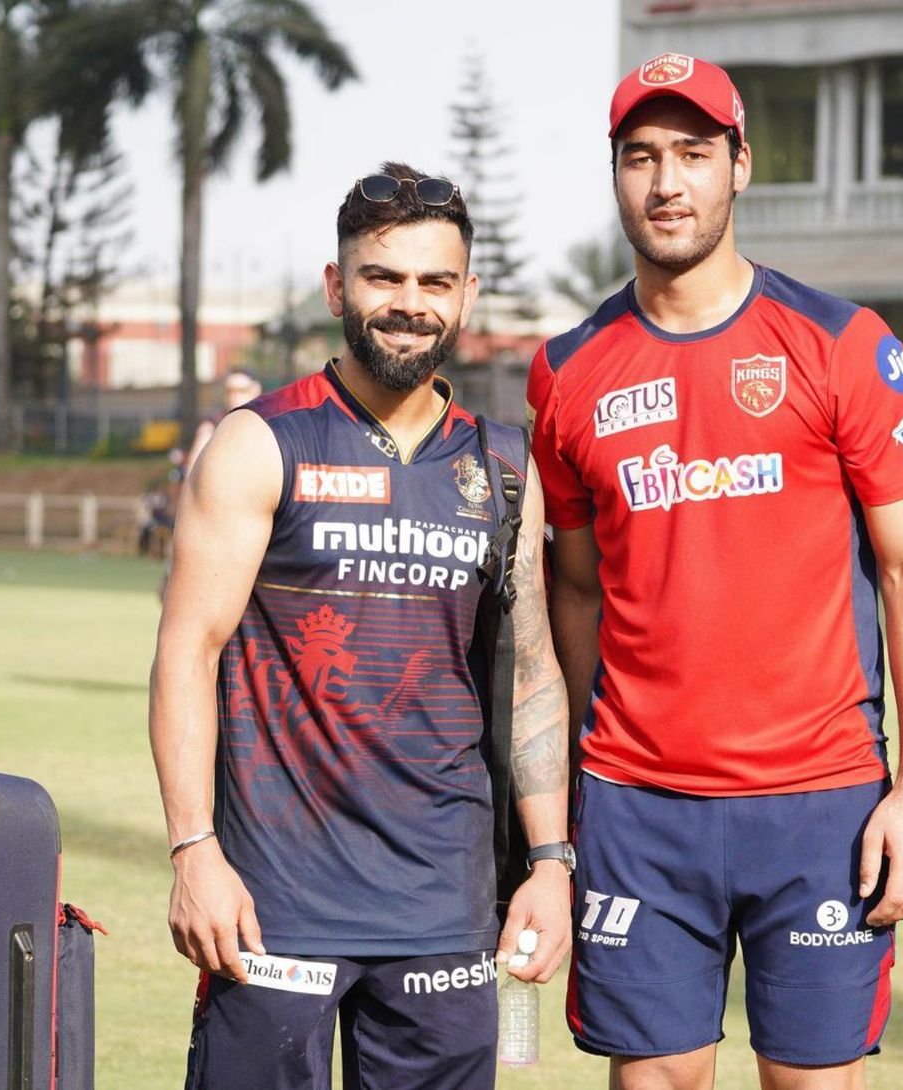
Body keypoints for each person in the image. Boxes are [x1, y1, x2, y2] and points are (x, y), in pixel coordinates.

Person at [527, 54, 903, 1089]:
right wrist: (584, 788)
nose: (666, 182)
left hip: (821, 805)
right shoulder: (567, 371)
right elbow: (575, 592)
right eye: (641, 158)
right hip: (638, 805)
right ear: (617, 174)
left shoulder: (844, 345)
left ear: (739, 166)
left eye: (692, 153)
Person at [150, 162, 571, 1090]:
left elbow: (534, 669)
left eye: (433, 282)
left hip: (445, 904)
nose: (408, 304)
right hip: (270, 904)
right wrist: (193, 850)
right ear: (339, 286)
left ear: (466, 296)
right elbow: (188, 651)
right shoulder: (261, 442)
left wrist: (548, 862)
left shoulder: (504, 466)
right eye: (383, 277)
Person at [185, 365, 264, 472]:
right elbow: (192, 469)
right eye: (230, 391)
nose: (235, 396)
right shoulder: (212, 427)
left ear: (256, 390)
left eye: (241, 390)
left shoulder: (267, 424)